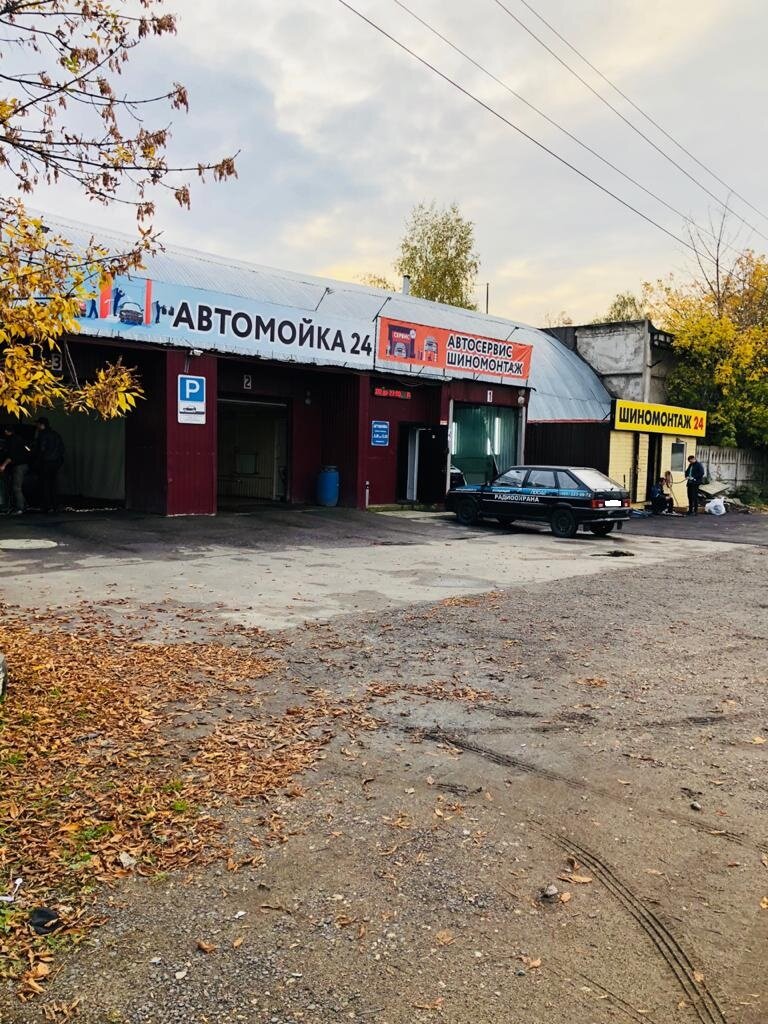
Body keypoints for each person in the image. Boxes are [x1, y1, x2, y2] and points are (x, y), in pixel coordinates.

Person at [32, 417, 65, 513]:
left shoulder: (42, 435)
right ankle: (55, 505)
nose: (36, 426)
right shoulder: (56, 434)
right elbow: (62, 449)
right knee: (54, 484)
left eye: (38, 424)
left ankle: (47, 506)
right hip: (55, 463)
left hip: (45, 463)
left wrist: (37, 460)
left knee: (45, 484)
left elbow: (41, 450)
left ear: (42, 424)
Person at [0, 424, 31, 515]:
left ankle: (20, 508)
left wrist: (3, 465)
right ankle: (24, 505)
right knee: (17, 486)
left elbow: (12, 455)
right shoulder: (18, 438)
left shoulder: (12, 440)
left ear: (6, 431)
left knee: (16, 487)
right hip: (24, 465)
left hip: (19, 465)